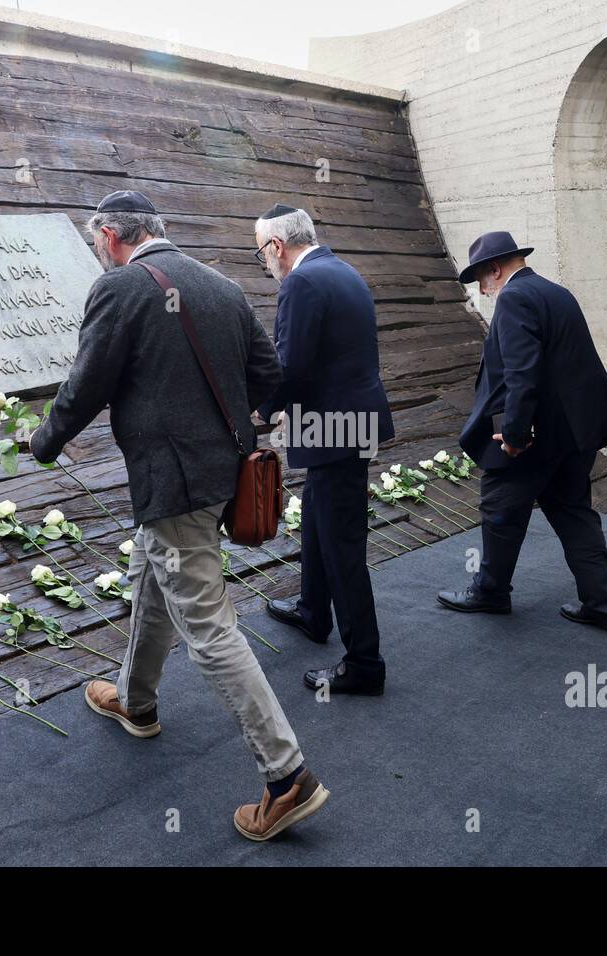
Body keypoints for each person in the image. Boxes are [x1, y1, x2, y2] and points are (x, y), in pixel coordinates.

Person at [30, 190, 329, 841]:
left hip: (175, 486)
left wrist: (43, 440)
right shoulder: (220, 283)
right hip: (225, 476)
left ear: (111, 235)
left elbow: (86, 384)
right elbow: (269, 373)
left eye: (95, 242)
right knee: (150, 575)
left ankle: (287, 777)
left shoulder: (121, 289)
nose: (98, 252)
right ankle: (136, 702)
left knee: (210, 629)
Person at [436, 231, 607, 633]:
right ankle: (602, 602)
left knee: (500, 508)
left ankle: (490, 592)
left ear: (495, 268)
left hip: (538, 437)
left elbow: (522, 375)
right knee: (574, 512)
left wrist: (515, 435)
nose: (482, 291)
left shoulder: (514, 298)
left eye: (481, 280)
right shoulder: (556, 292)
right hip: (575, 433)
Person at [254, 203, 394, 696]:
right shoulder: (343, 270)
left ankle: (365, 664)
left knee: (342, 546)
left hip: (332, 430)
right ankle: (314, 611)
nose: (266, 265)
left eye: (262, 254)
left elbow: (290, 364)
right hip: (348, 424)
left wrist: (263, 408)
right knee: (316, 515)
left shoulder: (300, 282)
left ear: (276, 246)